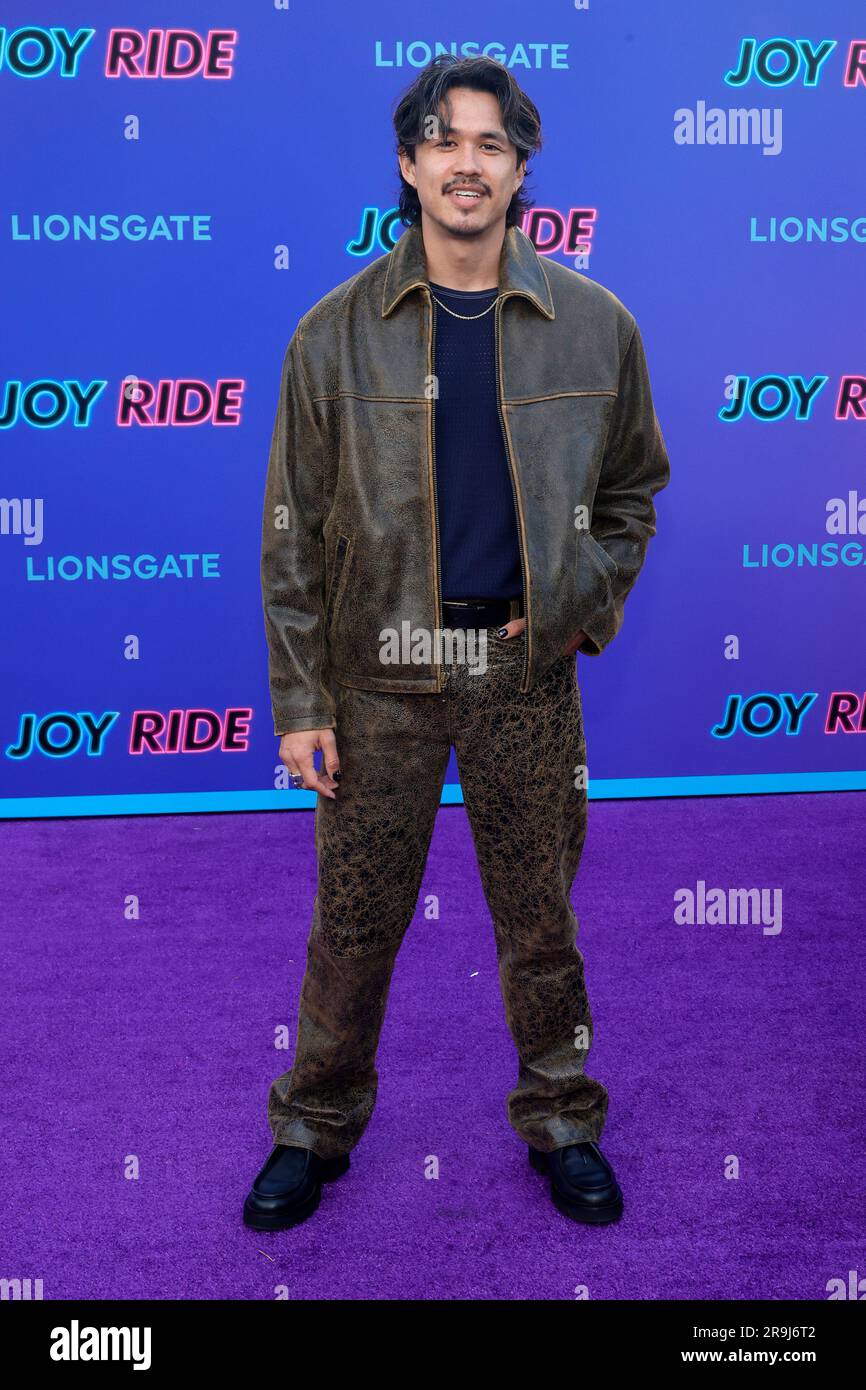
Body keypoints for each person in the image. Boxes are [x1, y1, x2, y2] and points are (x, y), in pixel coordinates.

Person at [244, 54, 670, 1232]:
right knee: (352, 924)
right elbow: (293, 530)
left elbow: (632, 494)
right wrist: (299, 699)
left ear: (520, 165)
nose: (464, 163)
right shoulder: (329, 337)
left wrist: (577, 596)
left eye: (488, 143)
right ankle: (312, 1126)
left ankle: (563, 1116)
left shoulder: (595, 328)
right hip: (374, 679)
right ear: (407, 164)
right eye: (442, 142)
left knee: (540, 922)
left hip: (520, 677)